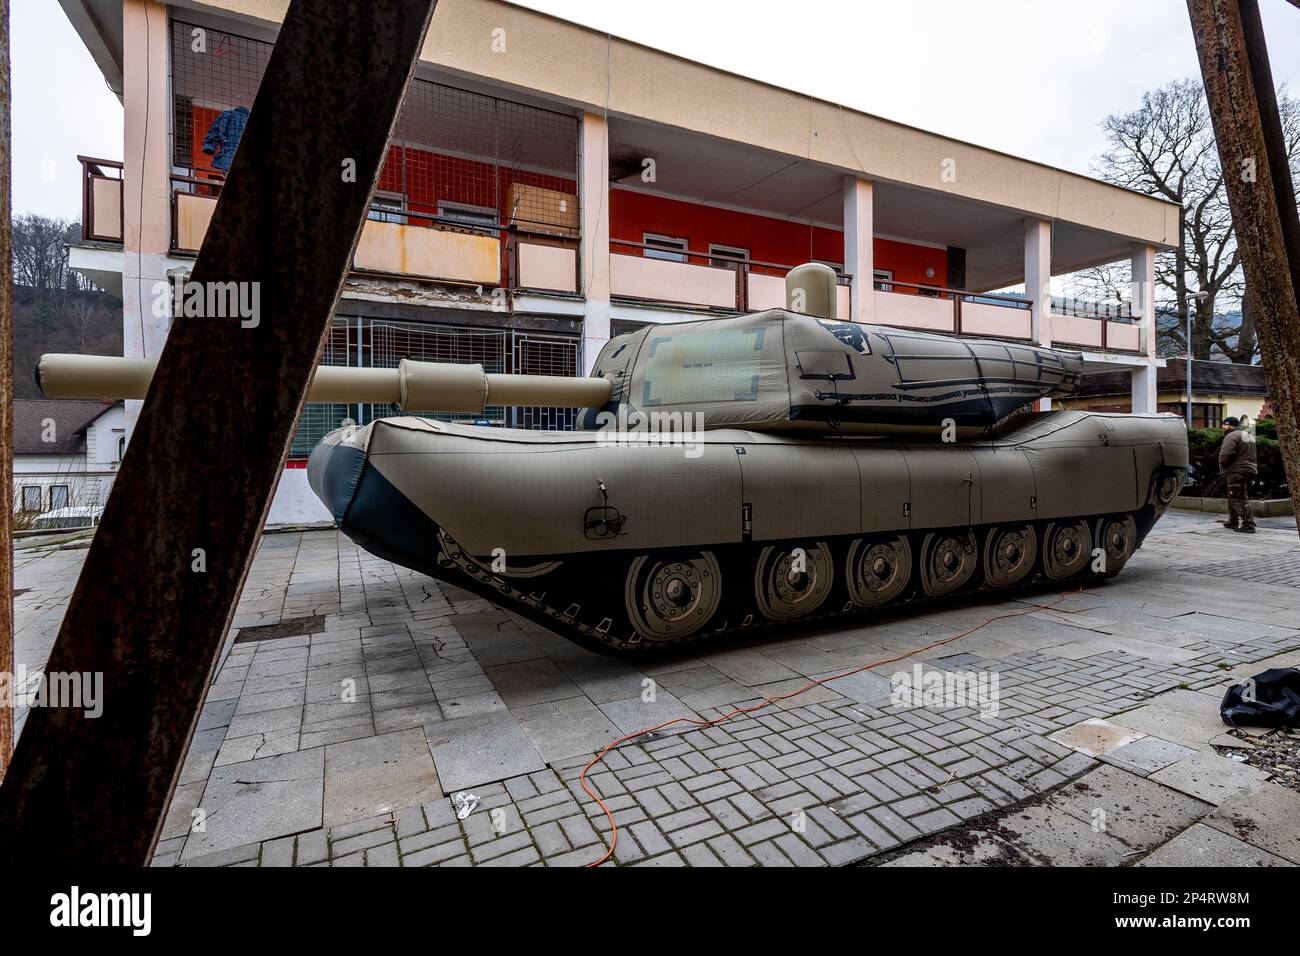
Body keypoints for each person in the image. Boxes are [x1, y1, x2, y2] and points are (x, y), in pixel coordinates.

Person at [1219, 416, 1257, 533]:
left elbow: (1225, 454)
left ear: (1230, 425)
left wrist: (1223, 465)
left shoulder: (1231, 436)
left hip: (1236, 470)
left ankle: (1248, 523)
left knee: (1237, 496)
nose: (1223, 427)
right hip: (1248, 469)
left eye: (1225, 425)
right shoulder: (1248, 435)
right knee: (1234, 495)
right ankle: (1232, 521)